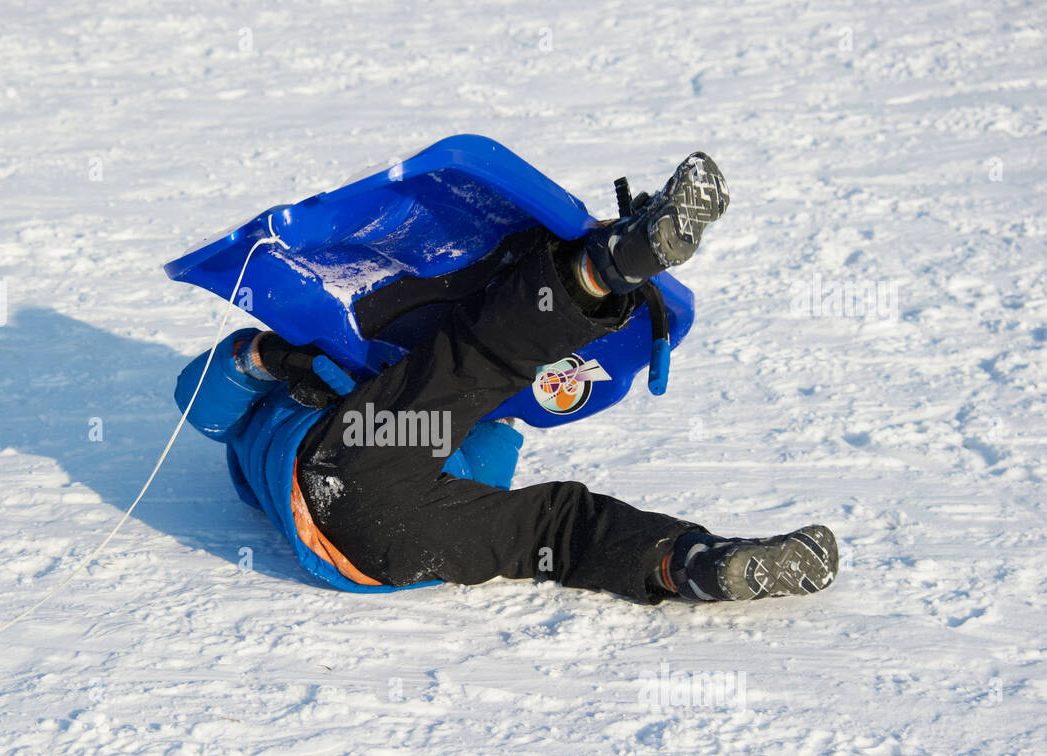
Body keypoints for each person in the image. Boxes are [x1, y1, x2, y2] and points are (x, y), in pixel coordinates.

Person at [175, 152, 837, 603]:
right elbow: (198, 406)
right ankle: (605, 267)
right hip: (335, 482)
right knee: (472, 361)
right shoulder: (264, 419)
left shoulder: (395, 401)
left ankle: (690, 562)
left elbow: (478, 454)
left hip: (392, 550)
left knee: (557, 525)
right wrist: (267, 356)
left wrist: (493, 407)